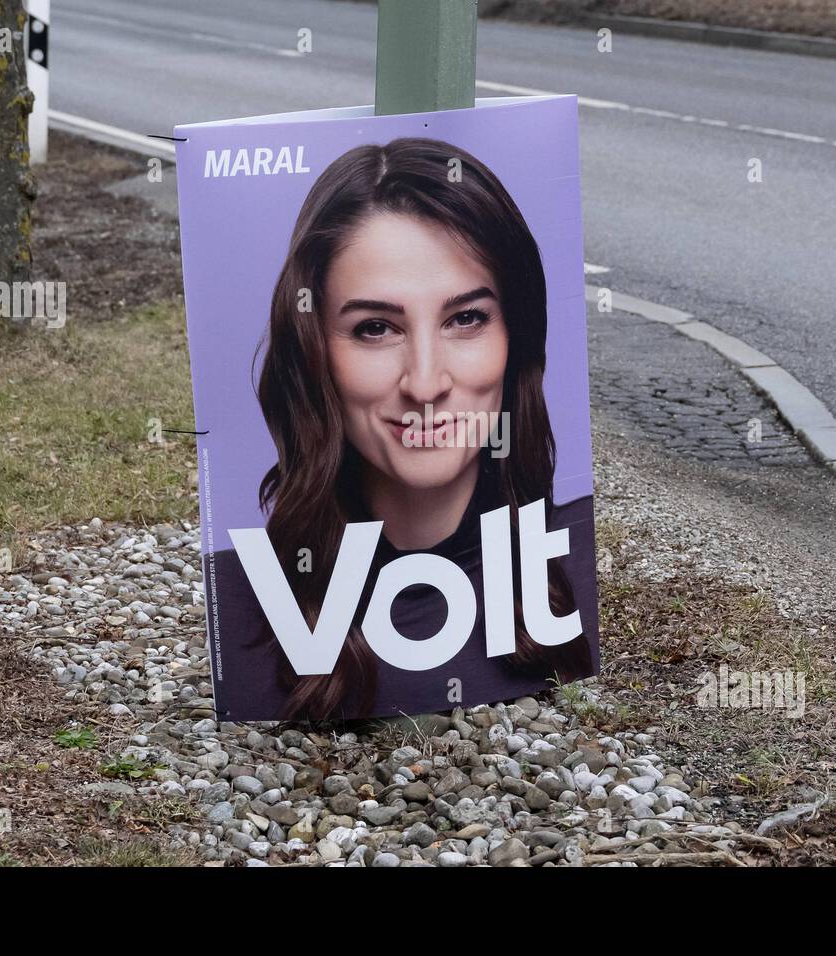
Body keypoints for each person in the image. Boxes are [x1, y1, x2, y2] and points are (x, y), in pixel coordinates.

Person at [207, 137, 597, 721]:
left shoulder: (581, 561)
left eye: (466, 319)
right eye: (374, 329)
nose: (424, 383)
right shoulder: (237, 605)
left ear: (516, 340)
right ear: (315, 353)